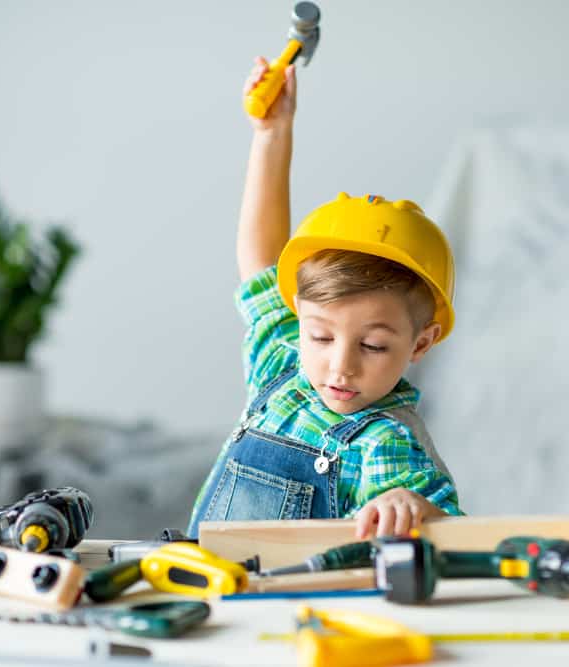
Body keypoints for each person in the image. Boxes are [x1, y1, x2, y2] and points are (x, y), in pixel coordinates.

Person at [187, 58, 461, 540]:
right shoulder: (282, 364)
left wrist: (414, 506)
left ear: (420, 343)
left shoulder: (385, 444)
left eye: (373, 345)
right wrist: (271, 133)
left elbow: (459, 535)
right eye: (319, 336)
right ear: (300, 321)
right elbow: (261, 263)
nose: (340, 367)